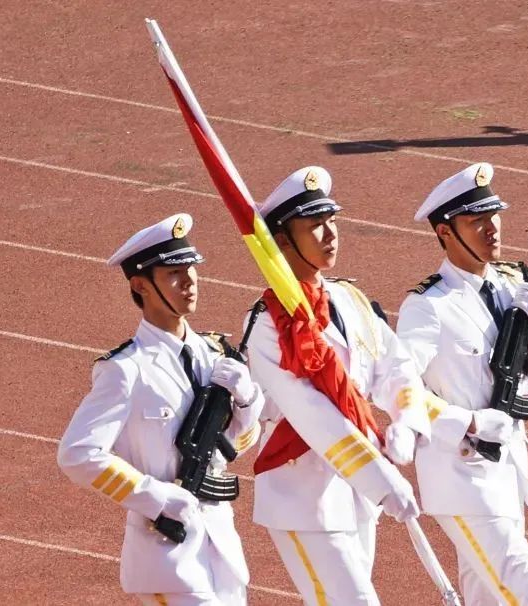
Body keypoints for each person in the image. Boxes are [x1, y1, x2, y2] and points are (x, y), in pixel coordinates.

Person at [244, 165, 443, 606]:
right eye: (314, 225)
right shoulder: (266, 323)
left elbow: (398, 367)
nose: (329, 232)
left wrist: (407, 424)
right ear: (281, 240)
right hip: (304, 495)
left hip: (355, 497)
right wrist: (381, 477)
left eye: (331, 220)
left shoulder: (350, 301)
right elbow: (313, 415)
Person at [57, 213, 264, 606]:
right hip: (167, 553)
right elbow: (77, 454)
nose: (188, 281)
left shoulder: (214, 354)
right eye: (173, 274)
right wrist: (155, 496)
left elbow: (235, 447)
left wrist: (247, 401)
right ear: (140, 286)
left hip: (222, 549)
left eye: (191, 269)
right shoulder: (125, 370)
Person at [395, 163, 528, 606]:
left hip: (507, 468)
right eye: (476, 221)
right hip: (462, 474)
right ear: (446, 232)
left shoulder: (512, 287)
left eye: (494, 216)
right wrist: (466, 421)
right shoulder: (427, 306)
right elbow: (398, 388)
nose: (491, 229)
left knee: (486, 596)